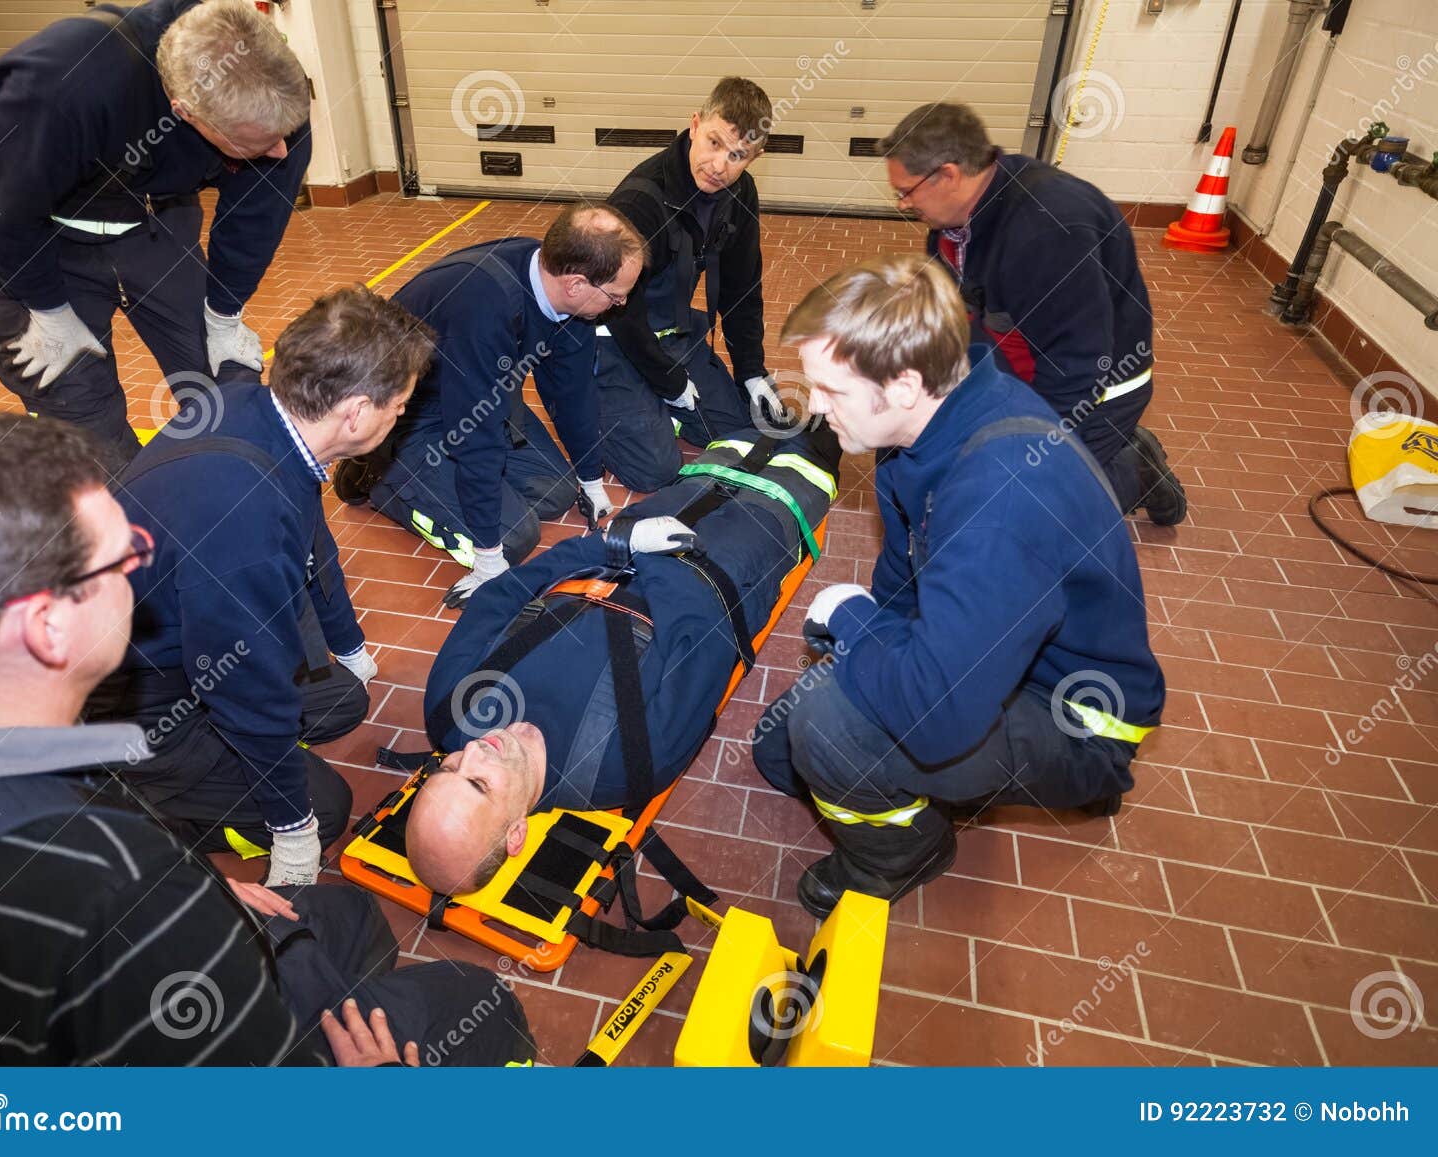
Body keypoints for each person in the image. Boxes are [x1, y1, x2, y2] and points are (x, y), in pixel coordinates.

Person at [0, 411, 532, 1066]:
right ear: (47, 628)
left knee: (352, 917)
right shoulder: (121, 886)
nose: (142, 562)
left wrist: (215, 889)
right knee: (483, 1004)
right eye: (120, 559)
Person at [753, 255, 1166, 920]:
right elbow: (903, 573)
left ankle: (903, 852)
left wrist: (857, 626)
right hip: (1005, 653)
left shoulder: (1000, 496)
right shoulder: (926, 423)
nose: (815, 407)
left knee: (829, 727)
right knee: (782, 752)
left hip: (1075, 713)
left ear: (907, 383)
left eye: (831, 389)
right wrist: (868, 634)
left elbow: (938, 719)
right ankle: (911, 775)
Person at [405, 424, 841, 895]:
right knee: (813, 457)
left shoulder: (451, 711)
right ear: (516, 834)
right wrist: (649, 558)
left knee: (735, 446)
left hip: (613, 554)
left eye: (446, 768)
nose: (470, 751)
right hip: (715, 574)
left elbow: (503, 595)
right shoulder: (627, 764)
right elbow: (705, 638)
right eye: (477, 784)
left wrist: (611, 545)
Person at [96, 286, 435, 885]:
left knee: (342, 701)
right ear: (355, 411)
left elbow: (311, 538)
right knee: (325, 809)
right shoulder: (243, 514)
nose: (402, 415)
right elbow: (236, 681)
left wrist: (350, 647)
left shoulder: (253, 409)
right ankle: (132, 802)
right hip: (134, 709)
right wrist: (292, 829)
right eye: (400, 404)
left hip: (176, 639)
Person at [0, 0, 312, 469]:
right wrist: (48, 310)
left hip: (131, 194)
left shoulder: (272, 98)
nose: (279, 149)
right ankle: (133, 525)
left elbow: (256, 218)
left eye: (283, 134)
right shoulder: (67, 86)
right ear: (186, 112)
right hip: (0, 199)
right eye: (256, 144)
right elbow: (5, 210)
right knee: (75, 395)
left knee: (219, 373)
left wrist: (225, 313)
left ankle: (235, 507)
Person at [877, 102, 1187, 525]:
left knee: (1021, 509)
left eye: (905, 191)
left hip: (1096, 390)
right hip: (1013, 365)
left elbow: (1079, 365)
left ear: (948, 174)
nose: (901, 204)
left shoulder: (1049, 228)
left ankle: (1133, 468)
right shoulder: (953, 222)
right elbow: (953, 313)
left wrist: (1027, 446)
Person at [331, 203, 644, 606]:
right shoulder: (483, 304)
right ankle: (377, 478)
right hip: (407, 416)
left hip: (477, 392)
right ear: (577, 283)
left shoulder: (560, 284)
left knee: (557, 492)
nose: (620, 305)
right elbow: (475, 435)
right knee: (514, 538)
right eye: (616, 297)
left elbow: (573, 391)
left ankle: (446, 485)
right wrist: (487, 557)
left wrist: (590, 479)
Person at [596, 77, 784, 492]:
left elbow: (742, 287)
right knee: (655, 470)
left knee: (737, 429)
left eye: (738, 155)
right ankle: (597, 404)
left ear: (756, 156)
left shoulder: (740, 195)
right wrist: (670, 382)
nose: (720, 166)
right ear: (695, 125)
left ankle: (658, 400)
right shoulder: (641, 201)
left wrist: (752, 371)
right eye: (714, 143)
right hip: (610, 336)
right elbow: (617, 308)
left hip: (670, 332)